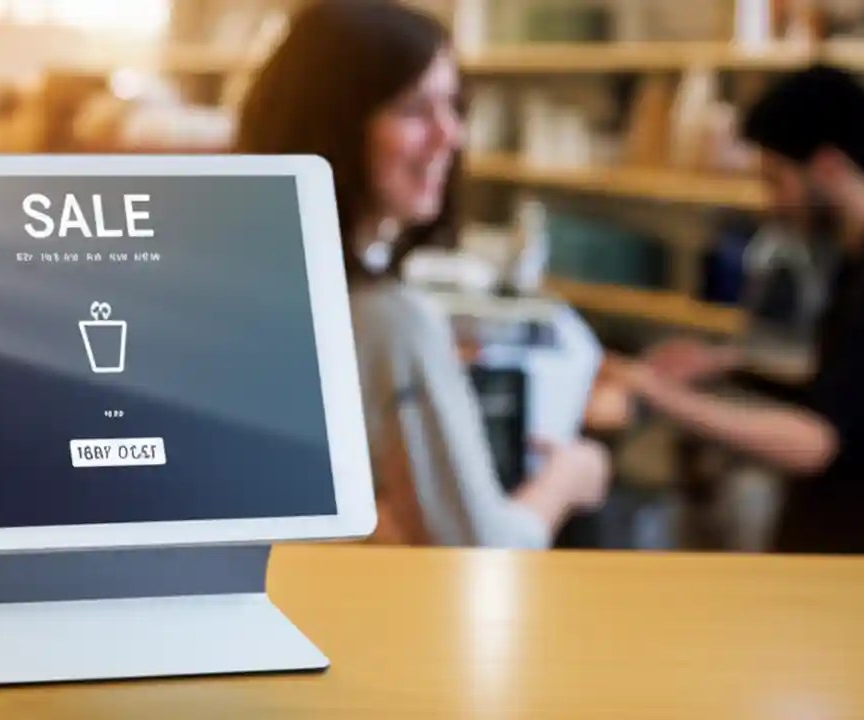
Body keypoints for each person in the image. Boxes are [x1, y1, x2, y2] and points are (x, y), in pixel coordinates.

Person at [236, 0, 610, 548]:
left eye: (452, 106)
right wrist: (568, 479)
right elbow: (481, 548)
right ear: (337, 125)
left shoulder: (249, 283)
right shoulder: (387, 321)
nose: (450, 135)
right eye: (415, 109)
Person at [622, 65, 864, 556]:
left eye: (776, 180)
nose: (772, 203)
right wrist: (729, 366)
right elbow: (840, 388)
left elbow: (814, 442)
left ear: (826, 167)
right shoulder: (861, 257)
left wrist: (661, 395)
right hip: (839, 548)